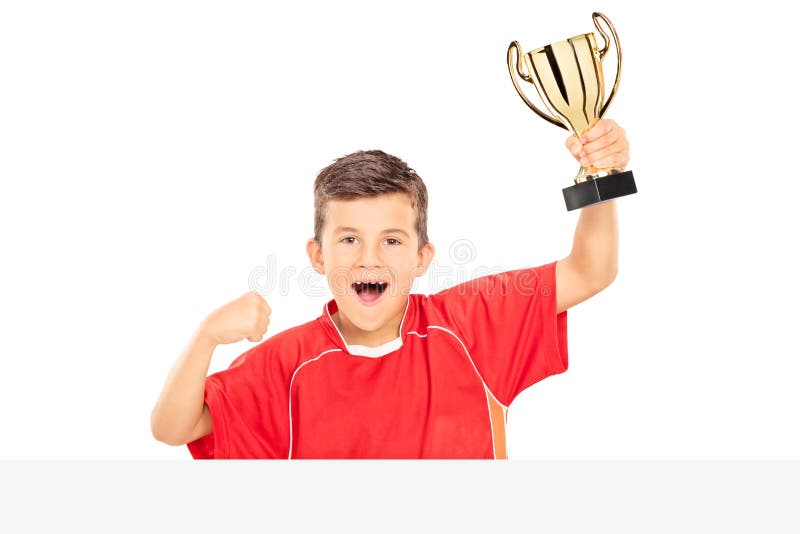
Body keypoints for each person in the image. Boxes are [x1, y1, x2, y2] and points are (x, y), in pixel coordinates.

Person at [150, 119, 630, 459]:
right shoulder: (284, 364)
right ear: (318, 256)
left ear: (421, 258)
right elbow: (175, 428)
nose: (369, 258)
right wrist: (206, 336)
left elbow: (589, 271)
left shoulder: (470, 325)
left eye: (392, 240)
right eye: (349, 239)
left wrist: (603, 175)